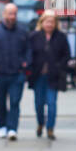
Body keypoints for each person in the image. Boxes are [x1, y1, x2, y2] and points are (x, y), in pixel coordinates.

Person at [0, 2, 29, 140]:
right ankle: (2, 127)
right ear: (4, 14)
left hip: (17, 75)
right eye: (10, 13)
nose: (12, 16)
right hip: (0, 74)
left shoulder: (23, 32)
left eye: (15, 13)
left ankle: (12, 129)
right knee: (1, 103)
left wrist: (25, 64)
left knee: (15, 102)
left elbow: (29, 50)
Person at [26, 10, 70, 140]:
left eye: (52, 22)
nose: (49, 24)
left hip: (53, 76)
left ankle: (50, 128)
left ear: (55, 23)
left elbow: (66, 55)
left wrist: (58, 67)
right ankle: (40, 123)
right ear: (42, 22)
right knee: (39, 104)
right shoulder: (34, 36)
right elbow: (29, 54)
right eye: (47, 21)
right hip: (38, 76)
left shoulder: (61, 37)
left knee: (52, 103)